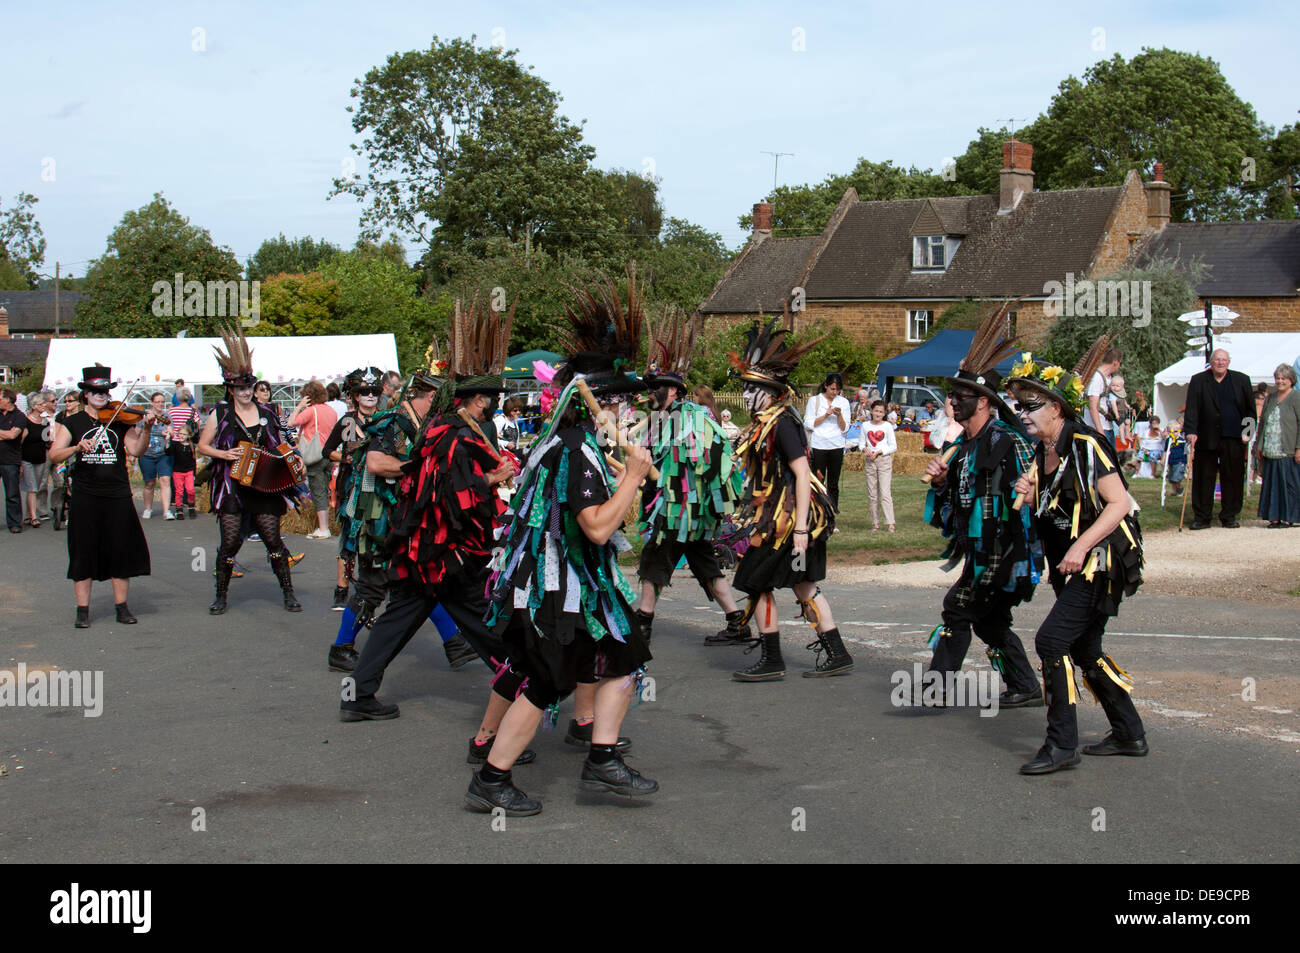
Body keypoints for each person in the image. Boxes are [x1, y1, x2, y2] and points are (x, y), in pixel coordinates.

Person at [475, 271, 656, 815]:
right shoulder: (575, 447)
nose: (624, 413)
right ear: (593, 401)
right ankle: (491, 776)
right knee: (546, 681)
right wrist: (632, 478)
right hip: (558, 588)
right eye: (618, 402)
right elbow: (597, 527)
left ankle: (602, 760)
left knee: (624, 660)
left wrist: (628, 474)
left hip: (585, 585)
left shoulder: (579, 444)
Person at [1008, 340, 1147, 775]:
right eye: (1019, 406)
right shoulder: (1041, 451)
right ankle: (1128, 732)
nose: (1023, 414)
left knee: (1051, 641)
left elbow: (1118, 504)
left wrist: (1080, 546)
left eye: (1030, 406)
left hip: (1102, 562)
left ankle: (1061, 745)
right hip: (1072, 563)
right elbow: (1058, 509)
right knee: (1086, 648)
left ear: (1056, 406)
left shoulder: (1085, 441)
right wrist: (1028, 497)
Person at [922, 313, 1044, 710]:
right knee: (988, 621)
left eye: (961, 395)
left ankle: (935, 690)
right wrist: (941, 484)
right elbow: (957, 509)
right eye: (952, 394)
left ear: (985, 401)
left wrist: (1027, 495)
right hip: (980, 553)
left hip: (1006, 552)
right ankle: (1024, 685)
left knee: (957, 609)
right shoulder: (960, 448)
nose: (952, 401)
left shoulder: (1008, 441)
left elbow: (1034, 494)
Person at [328, 366, 478, 674]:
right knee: (373, 588)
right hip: (378, 522)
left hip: (398, 520)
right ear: (433, 396)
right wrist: (418, 465)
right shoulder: (395, 422)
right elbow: (374, 461)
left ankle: (454, 642)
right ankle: (341, 648)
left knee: (420, 582)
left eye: (373, 392)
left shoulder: (416, 422)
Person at [728, 319, 852, 680]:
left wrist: (799, 530)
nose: (748, 395)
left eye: (754, 389)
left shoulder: (781, 423)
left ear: (771, 392)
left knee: (756, 581)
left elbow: (801, 474)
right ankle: (838, 654)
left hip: (787, 522)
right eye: (747, 388)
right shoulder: (766, 421)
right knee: (803, 585)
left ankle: (771, 659)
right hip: (780, 517)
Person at [634, 312, 749, 648]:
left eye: (655, 387)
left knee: (653, 564)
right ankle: (736, 622)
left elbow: (712, 464)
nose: (650, 392)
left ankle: (642, 627)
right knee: (706, 565)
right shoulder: (663, 418)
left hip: (677, 512)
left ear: (672, 389)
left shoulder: (687, 419)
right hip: (690, 515)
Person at [197, 323, 308, 614]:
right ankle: (220, 595)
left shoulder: (269, 411)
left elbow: (284, 441)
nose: (246, 392)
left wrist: (294, 463)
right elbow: (202, 446)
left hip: (265, 484)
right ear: (231, 388)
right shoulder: (220, 414)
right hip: (233, 487)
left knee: (273, 540)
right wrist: (224, 453)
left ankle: (288, 593)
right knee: (231, 542)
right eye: (240, 388)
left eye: (249, 387)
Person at [45, 366, 152, 626]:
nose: (101, 395)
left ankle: (122, 608)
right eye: (95, 391)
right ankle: (83, 611)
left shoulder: (119, 419)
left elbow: (137, 450)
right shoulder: (72, 423)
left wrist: (146, 428)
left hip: (117, 493)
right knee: (83, 551)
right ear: (86, 394)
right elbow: (54, 455)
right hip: (85, 494)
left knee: (120, 549)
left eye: (105, 391)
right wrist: (76, 446)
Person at [1184, 348, 1255, 529]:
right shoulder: (1199, 380)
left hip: (1234, 437)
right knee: (1203, 477)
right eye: (1217, 360)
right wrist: (1190, 431)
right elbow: (1191, 409)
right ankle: (1202, 516)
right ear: (1211, 362)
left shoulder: (1242, 380)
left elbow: (1250, 410)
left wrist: (1248, 432)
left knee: (1232, 477)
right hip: (1205, 437)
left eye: (1224, 360)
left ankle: (1229, 515)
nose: (1220, 363)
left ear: (1228, 362)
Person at [291, 381, 338, 540]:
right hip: (329, 455)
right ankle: (327, 526)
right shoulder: (331, 411)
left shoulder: (311, 411)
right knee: (326, 490)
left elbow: (291, 422)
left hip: (315, 456)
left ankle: (323, 528)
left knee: (318, 491)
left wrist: (299, 406)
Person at [1255, 364, 1300, 528]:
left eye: (1283, 378)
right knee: (1272, 485)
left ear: (1291, 380)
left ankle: (1289, 517)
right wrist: (1259, 446)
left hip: (1287, 448)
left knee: (1289, 485)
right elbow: (1263, 424)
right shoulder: (1271, 398)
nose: (1280, 381)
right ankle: (1274, 517)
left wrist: (1298, 448)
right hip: (1270, 448)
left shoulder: (1296, 397)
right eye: (1278, 378)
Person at [803, 371, 850, 513]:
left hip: (836, 445)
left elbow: (844, 427)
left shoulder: (844, 402)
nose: (834, 392)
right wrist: (826, 414)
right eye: (832, 389)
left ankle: (832, 512)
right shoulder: (815, 401)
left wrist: (839, 415)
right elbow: (808, 423)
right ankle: (818, 511)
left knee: (833, 483)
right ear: (826, 386)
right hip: (819, 445)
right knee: (818, 481)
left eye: (837, 390)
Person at [859, 400, 896, 532]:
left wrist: (880, 451)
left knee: (885, 492)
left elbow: (893, 446)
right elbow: (861, 444)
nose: (878, 414)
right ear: (871, 411)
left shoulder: (887, 426)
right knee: (872, 493)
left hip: (884, 460)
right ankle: (875, 523)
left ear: (884, 413)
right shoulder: (865, 426)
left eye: (881, 412)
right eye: (876, 411)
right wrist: (865, 450)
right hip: (870, 461)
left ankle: (890, 522)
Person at [138, 392, 175, 520]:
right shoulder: (144, 416)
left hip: (163, 453)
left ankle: (166, 511)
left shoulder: (167, 416)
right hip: (146, 453)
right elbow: (137, 434)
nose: (160, 404)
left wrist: (169, 434)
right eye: (158, 402)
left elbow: (172, 431)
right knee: (149, 483)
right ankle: (148, 508)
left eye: (162, 402)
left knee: (165, 480)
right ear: (152, 403)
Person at [20, 391, 53, 527]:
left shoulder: (44, 422)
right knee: (32, 488)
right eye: (41, 404)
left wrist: (51, 437)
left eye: (44, 403)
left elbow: (47, 441)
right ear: (33, 406)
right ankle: (34, 517)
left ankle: (28, 515)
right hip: (26, 459)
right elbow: (20, 442)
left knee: (36, 487)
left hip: (40, 458)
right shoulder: (26, 422)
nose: (44, 406)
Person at [0, 388, 29, 533]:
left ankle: (15, 523)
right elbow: (9, 434)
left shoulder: (19, 416)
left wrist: (7, 434)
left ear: (8, 400)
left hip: (10, 459)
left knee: (12, 493)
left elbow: (13, 435)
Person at [1085, 347, 1122, 449]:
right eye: (1120, 363)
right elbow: (1093, 406)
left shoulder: (1109, 378)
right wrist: (1100, 431)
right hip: (1098, 428)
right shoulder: (1096, 378)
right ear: (1115, 362)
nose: (1119, 366)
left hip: (1108, 427)